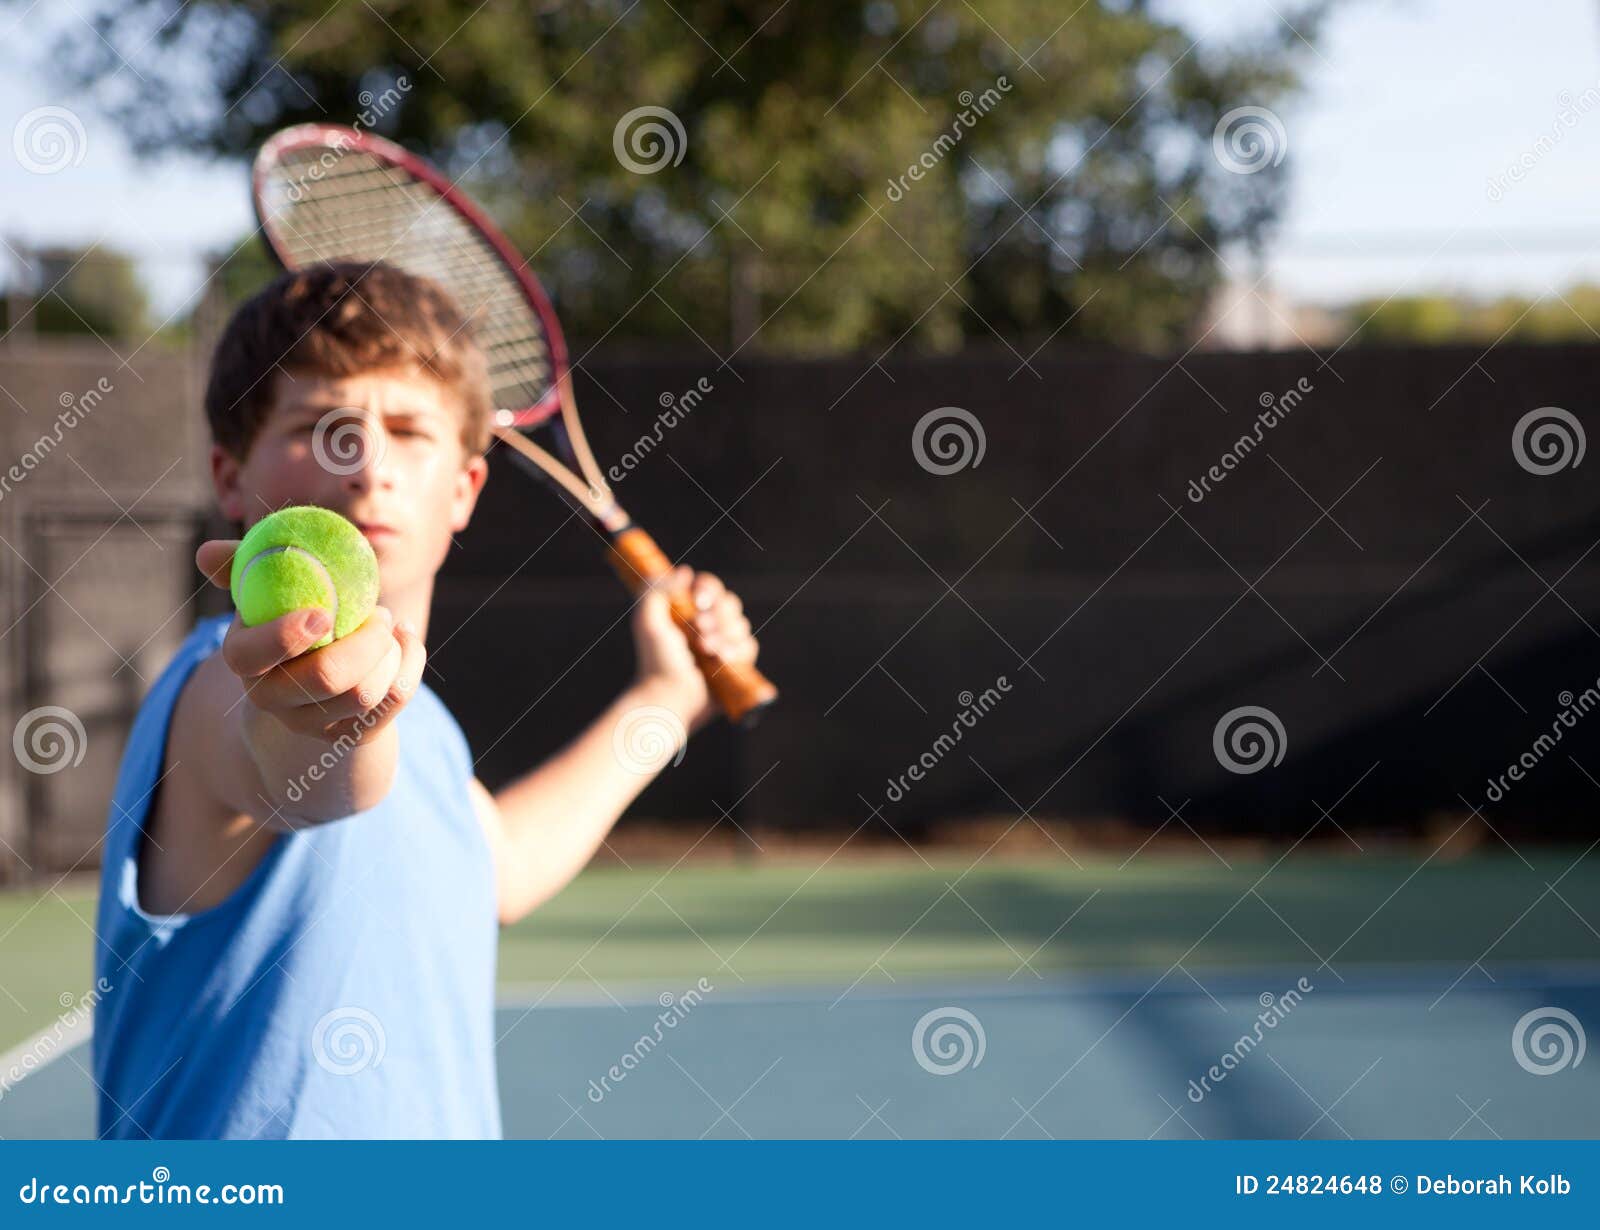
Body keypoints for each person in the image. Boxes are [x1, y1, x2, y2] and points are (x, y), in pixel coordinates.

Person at [92, 260, 759, 1139]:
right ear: (229, 475)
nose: (367, 465)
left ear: (464, 488)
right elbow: (304, 765)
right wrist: (339, 715)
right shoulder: (217, 685)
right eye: (318, 425)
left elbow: (503, 867)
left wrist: (667, 700)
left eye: (408, 429)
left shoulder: (431, 731)